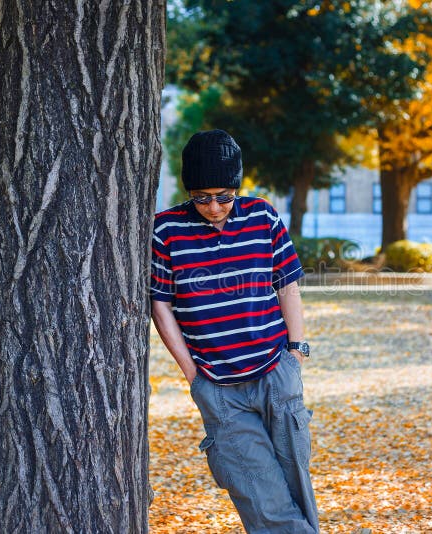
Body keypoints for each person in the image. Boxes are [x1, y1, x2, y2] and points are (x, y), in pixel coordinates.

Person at [150, 129, 319, 533]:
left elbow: (287, 284)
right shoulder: (166, 231)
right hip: (220, 390)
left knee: (298, 488)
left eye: (224, 196)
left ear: (237, 188)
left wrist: (295, 353)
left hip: (276, 375)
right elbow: (160, 305)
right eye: (201, 197)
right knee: (262, 499)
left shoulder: (262, 216)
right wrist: (193, 375)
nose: (213, 206)